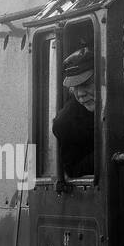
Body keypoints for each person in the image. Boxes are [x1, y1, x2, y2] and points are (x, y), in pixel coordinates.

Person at [52, 45, 95, 177]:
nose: (80, 94)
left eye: (86, 84)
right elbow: (73, 169)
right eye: (75, 87)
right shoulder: (67, 122)